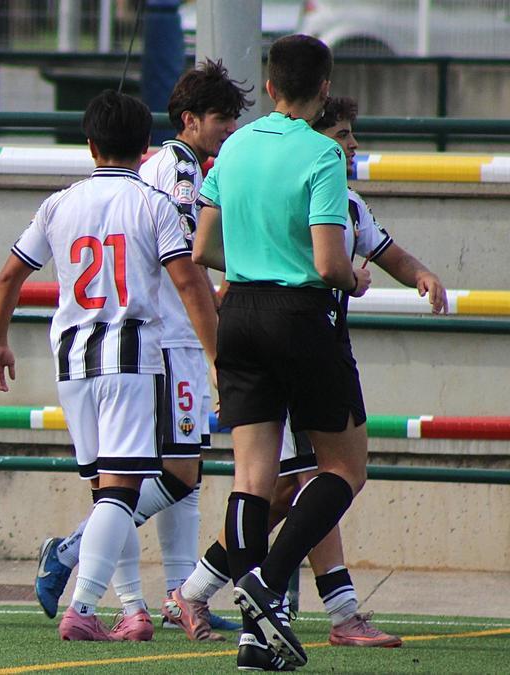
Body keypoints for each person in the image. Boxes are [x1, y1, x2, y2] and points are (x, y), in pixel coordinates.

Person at [168, 95, 448, 655]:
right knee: (320, 480)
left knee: (276, 489)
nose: (351, 145)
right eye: (342, 133)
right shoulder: (304, 178)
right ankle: (309, 602)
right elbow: (320, 266)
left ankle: (214, 600)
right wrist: (346, 281)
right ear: (316, 132)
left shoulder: (344, 200)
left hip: (266, 333)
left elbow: (383, 247)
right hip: (299, 337)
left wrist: (419, 273)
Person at [0, 89, 218, 642]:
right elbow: (188, 283)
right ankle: (84, 607)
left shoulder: (59, 203)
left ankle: (133, 607)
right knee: (122, 493)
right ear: (145, 149)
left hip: (72, 361)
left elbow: (10, 275)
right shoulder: (153, 203)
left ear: (89, 144)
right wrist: (216, 358)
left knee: (108, 492)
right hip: (129, 357)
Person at [33, 60, 252, 638]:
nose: (229, 130)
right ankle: (75, 554)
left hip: (138, 341)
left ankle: (164, 597)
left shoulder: (166, 166)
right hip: (167, 338)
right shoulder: (178, 172)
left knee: (162, 475)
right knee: (173, 475)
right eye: (222, 119)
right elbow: (190, 256)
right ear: (190, 120)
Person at [192, 35, 371, 670]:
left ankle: (252, 632)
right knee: (345, 468)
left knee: (251, 477)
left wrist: (254, 258)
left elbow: (203, 249)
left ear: (269, 87)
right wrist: (352, 275)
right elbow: (328, 260)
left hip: (237, 310)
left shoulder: (233, 146)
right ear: (324, 88)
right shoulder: (322, 152)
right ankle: (269, 579)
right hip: (300, 316)